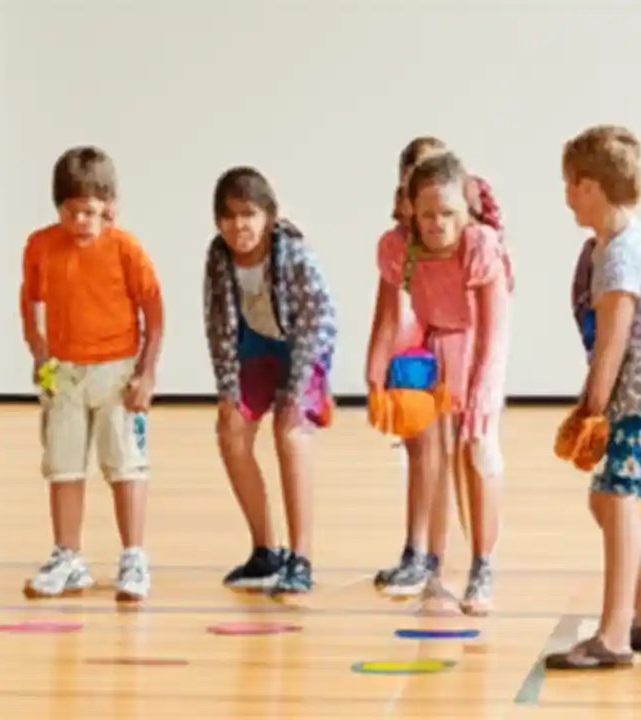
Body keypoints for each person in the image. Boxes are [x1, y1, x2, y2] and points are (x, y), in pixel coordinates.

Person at [544, 125, 641, 669]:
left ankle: (614, 637)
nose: (565, 196)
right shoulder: (621, 242)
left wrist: (591, 409)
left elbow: (612, 342)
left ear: (591, 186)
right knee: (606, 499)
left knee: (616, 497)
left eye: (570, 185)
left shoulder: (620, 255)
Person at [366, 151, 511, 616]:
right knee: (432, 452)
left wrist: (484, 391)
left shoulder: (479, 246)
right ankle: (432, 560)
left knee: (478, 451)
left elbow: (493, 328)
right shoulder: (399, 248)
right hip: (431, 351)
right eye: (427, 214)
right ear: (411, 209)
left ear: (465, 210)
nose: (437, 223)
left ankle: (482, 564)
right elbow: (388, 316)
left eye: (447, 213)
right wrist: (375, 373)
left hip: (474, 350)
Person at [19, 146, 163, 602]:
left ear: (111, 207)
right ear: (58, 207)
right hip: (64, 373)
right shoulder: (40, 246)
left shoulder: (126, 249)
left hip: (117, 372)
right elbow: (31, 303)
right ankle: (67, 556)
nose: (81, 222)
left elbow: (154, 312)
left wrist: (146, 373)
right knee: (62, 466)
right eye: (72, 212)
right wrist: (40, 354)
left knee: (125, 464)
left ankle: (134, 556)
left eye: (91, 212)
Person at [204, 167, 337, 595]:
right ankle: (266, 549)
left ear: (269, 216)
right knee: (231, 431)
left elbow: (317, 322)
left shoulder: (293, 253)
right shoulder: (218, 257)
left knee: (290, 431)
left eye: (248, 214)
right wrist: (228, 391)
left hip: (302, 345)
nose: (238, 225)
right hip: (257, 345)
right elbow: (219, 327)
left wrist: (297, 391)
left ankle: (302, 557)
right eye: (228, 216)